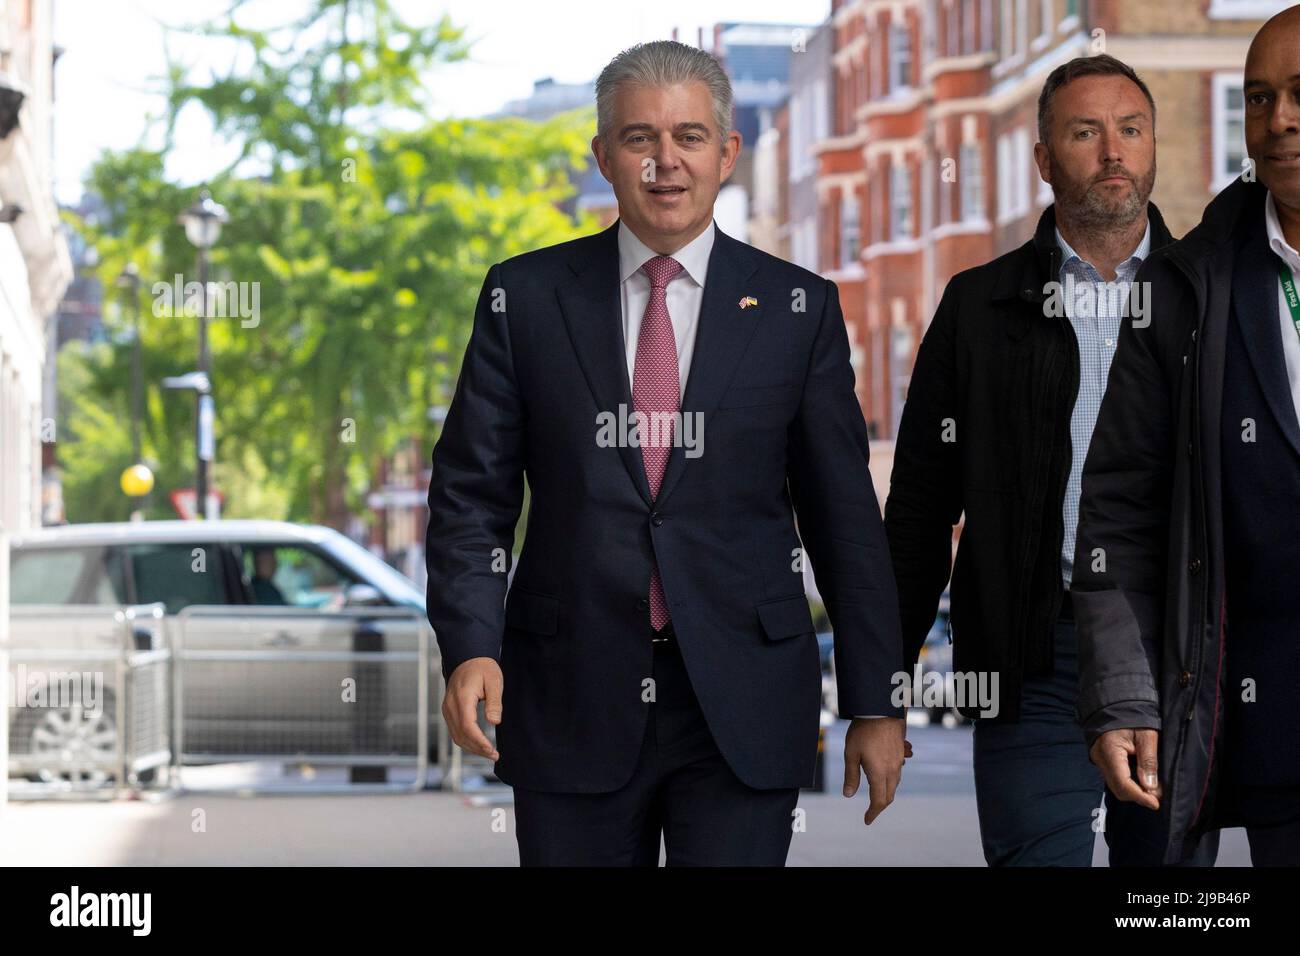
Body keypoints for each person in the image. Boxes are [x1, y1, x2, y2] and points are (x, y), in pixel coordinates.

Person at [424, 39, 907, 866]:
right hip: (569, 690)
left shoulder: (798, 309)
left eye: (688, 137)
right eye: (640, 138)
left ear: (726, 153)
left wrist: (876, 700)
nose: (666, 162)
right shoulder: (525, 298)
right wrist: (471, 644)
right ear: (604, 156)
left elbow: (844, 521)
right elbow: (472, 495)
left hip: (742, 700)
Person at [886, 54, 1215, 865]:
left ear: (1153, 145)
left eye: (1131, 129)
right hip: (1029, 655)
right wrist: (880, 684)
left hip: (1170, 649)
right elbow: (922, 508)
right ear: (1042, 159)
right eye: (1085, 131)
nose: (1113, 151)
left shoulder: (1206, 297)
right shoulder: (978, 305)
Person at [1073, 7, 1300, 865]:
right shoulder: (1187, 287)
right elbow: (1120, 513)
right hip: (1272, 722)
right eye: (1259, 98)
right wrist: (1127, 696)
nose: (1278, 119)